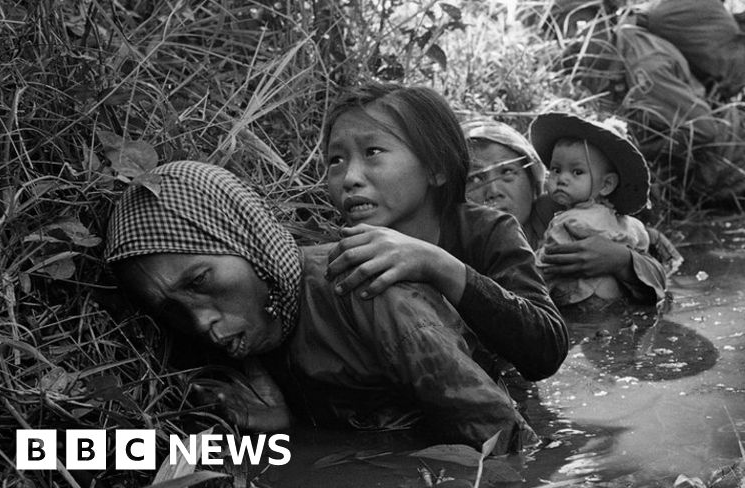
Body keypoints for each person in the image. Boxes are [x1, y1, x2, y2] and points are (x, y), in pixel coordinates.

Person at [105, 161, 534, 454]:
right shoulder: (238, 339)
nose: (200, 323)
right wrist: (285, 424)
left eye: (200, 281)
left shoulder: (369, 294)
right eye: (171, 309)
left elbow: (508, 446)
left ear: (247, 241)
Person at [320, 82, 568, 384]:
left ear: (436, 168)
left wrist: (439, 266)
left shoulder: (487, 231)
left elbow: (547, 349)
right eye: (336, 160)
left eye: (372, 152)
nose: (349, 178)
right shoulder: (336, 255)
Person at [463, 117, 676, 305]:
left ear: (533, 181)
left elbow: (659, 277)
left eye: (507, 172)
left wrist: (621, 260)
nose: (492, 191)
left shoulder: (570, 218)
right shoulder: (460, 246)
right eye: (475, 178)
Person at [529, 112, 652, 305]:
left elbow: (544, 266)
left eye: (577, 172)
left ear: (607, 185)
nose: (562, 179)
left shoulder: (566, 221)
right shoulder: (630, 225)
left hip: (577, 302)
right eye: (556, 170)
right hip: (614, 302)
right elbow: (643, 243)